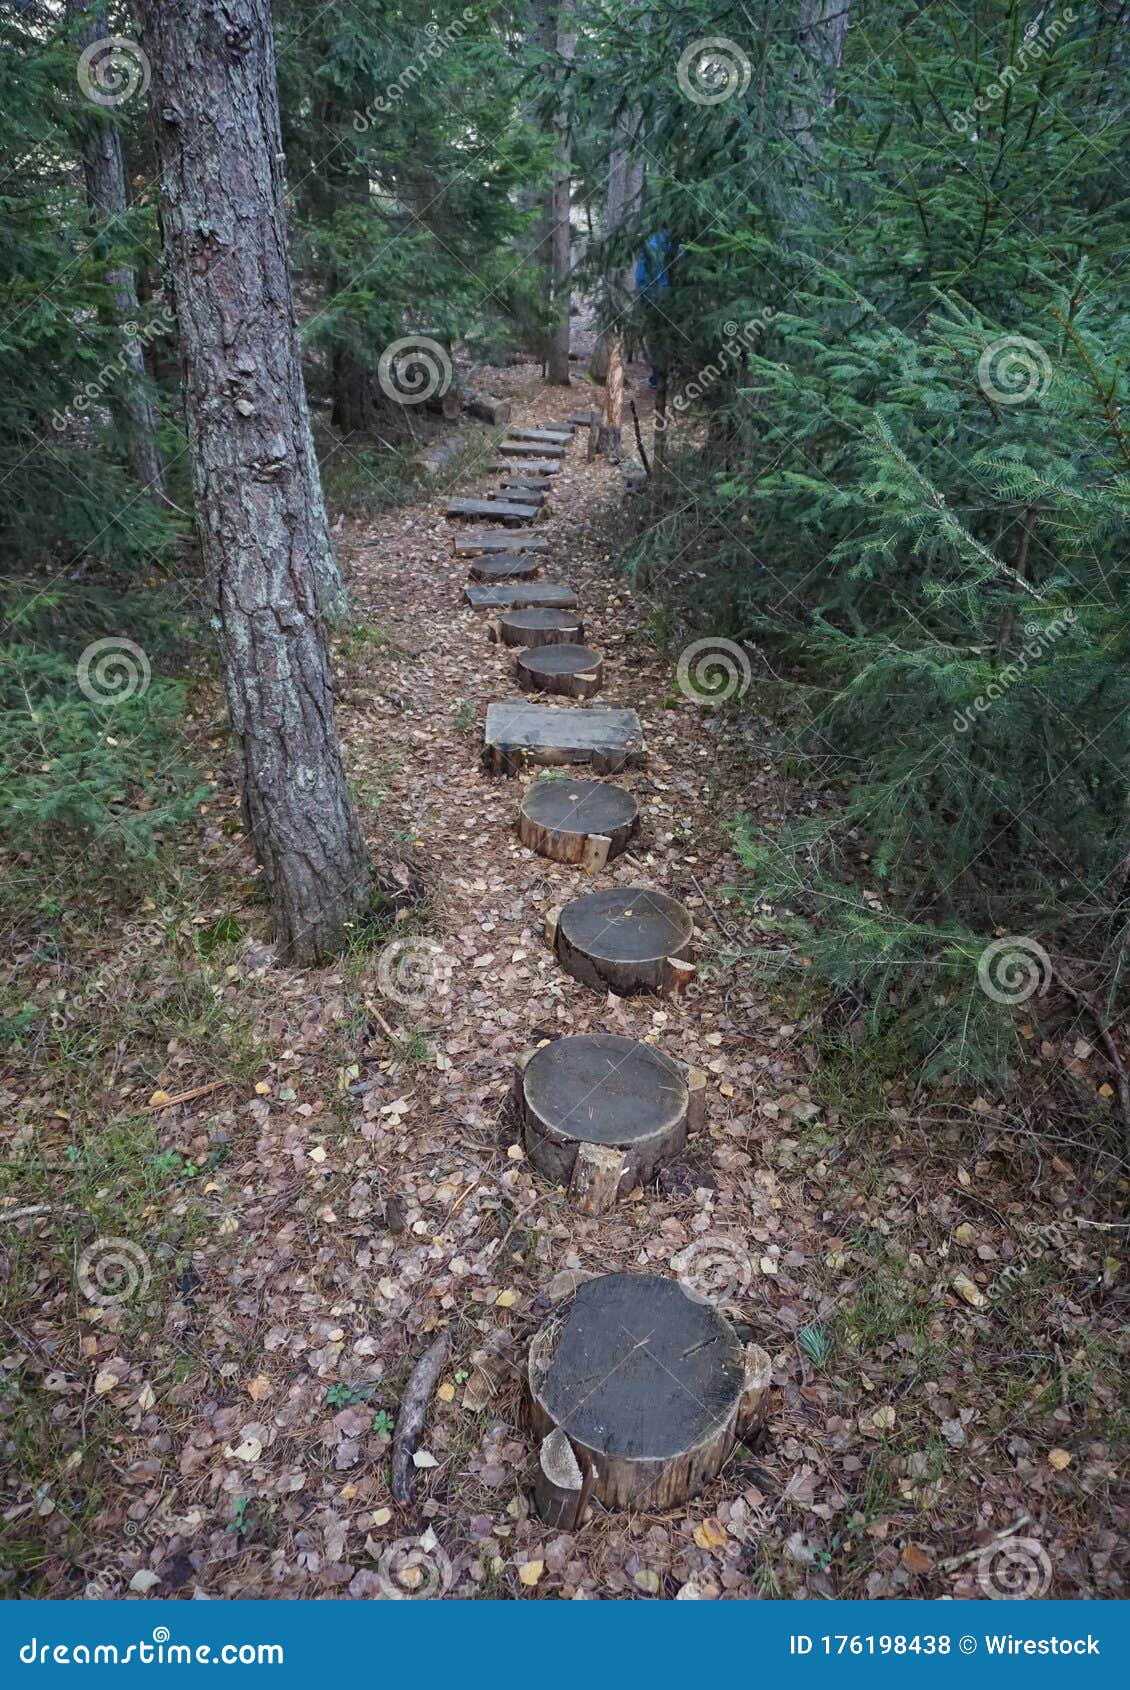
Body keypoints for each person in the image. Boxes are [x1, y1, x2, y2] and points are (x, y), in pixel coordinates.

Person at [635, 229, 673, 388]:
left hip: (652, 302)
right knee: (668, 339)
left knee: (655, 340)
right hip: (671, 302)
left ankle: (656, 377)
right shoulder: (680, 247)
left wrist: (648, 296)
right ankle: (666, 376)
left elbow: (640, 278)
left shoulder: (649, 247)